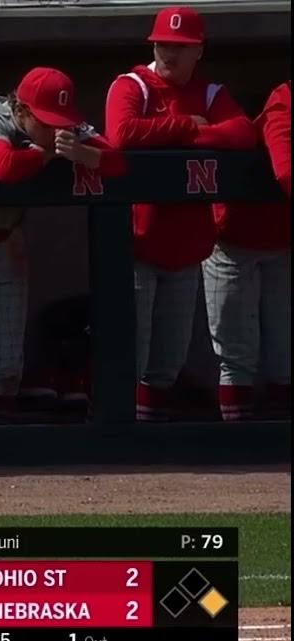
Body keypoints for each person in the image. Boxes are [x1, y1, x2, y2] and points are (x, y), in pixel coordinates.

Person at [104, 6, 256, 422]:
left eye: (180, 47)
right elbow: (123, 133)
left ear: (198, 51)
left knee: (167, 362)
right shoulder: (132, 84)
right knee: (129, 353)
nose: (169, 53)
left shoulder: (210, 94)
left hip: (187, 246)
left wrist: (196, 129)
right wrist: (186, 127)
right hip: (137, 244)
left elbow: (243, 132)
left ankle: (150, 441)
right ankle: (116, 439)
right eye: (163, 44)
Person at [0, 67, 126, 420]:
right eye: (46, 121)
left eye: (60, 122)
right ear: (23, 110)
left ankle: (1, 447)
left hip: (9, 240)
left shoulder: (63, 128)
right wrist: (49, 155)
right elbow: (4, 167)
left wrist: (82, 154)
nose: (55, 129)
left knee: (5, 362)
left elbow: (118, 163)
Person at [204, 81, 290, 420]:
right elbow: (286, 169)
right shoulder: (284, 99)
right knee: (237, 354)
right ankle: (237, 452)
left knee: (285, 353)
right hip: (234, 237)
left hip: (282, 239)